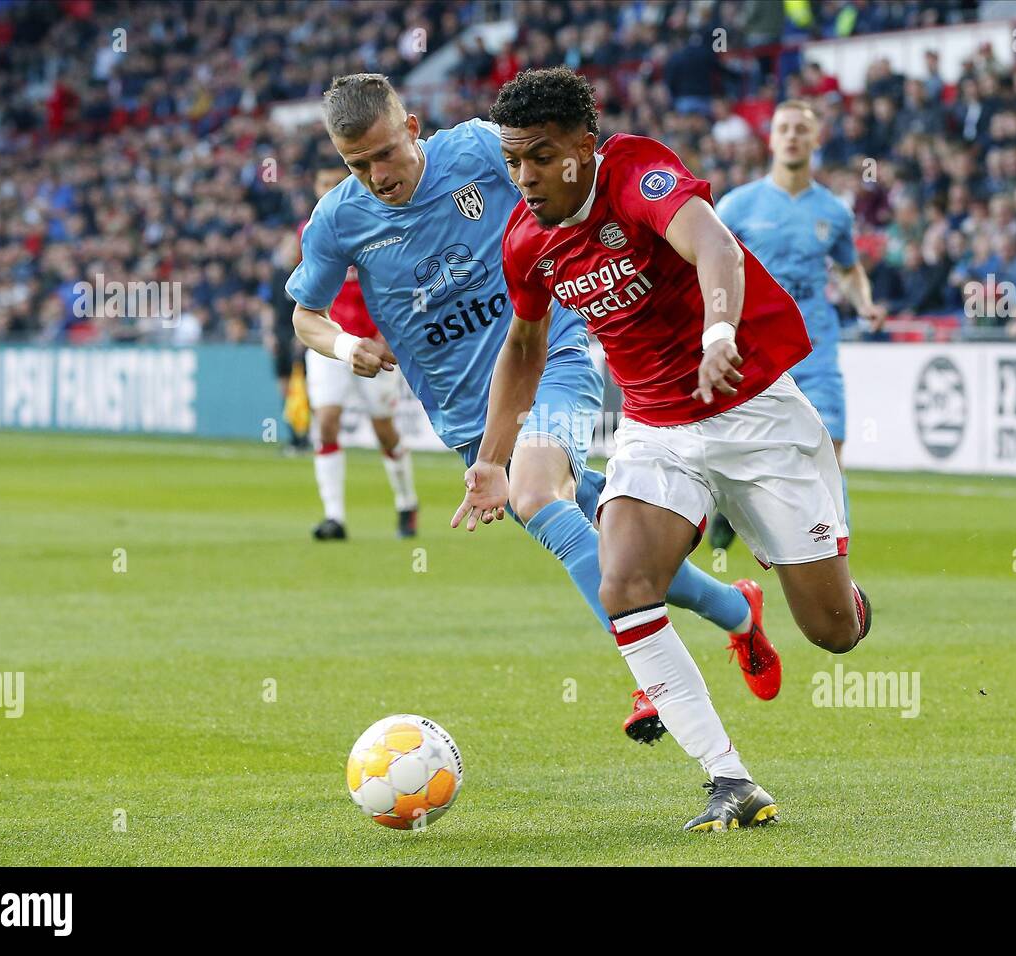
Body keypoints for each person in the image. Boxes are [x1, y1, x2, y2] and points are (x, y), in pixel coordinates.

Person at [285, 74, 776, 742]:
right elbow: (304, 316)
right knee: (606, 531)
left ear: (411, 127)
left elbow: (573, 187)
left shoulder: (480, 151)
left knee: (538, 497)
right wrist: (346, 345)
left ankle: (649, 668)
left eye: (384, 154)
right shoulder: (340, 220)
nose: (376, 175)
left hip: (554, 354)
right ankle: (739, 612)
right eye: (356, 165)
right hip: (470, 422)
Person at [454, 68, 873, 832]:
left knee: (831, 632)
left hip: (754, 414)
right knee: (623, 583)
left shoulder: (639, 173)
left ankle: (836, 595)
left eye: (541, 157)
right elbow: (522, 346)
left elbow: (715, 246)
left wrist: (719, 334)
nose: (525, 177)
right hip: (656, 429)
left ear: (585, 147)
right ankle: (729, 779)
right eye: (515, 160)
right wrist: (491, 457)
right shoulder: (526, 240)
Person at [710, 100, 886, 549]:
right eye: (784, 128)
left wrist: (863, 302)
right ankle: (732, 507)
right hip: (755, 349)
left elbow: (847, 268)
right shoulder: (738, 206)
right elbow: (707, 261)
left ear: (815, 140)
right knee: (740, 448)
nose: (792, 136)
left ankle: (837, 562)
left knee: (829, 444)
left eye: (801, 130)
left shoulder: (834, 211)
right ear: (770, 139)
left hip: (816, 346)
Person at [297, 166, 419, 541]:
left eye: (336, 183)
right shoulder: (311, 232)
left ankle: (405, 502)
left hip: (374, 341)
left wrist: (388, 335)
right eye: (322, 183)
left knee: (384, 429)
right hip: (329, 343)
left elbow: (398, 284)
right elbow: (306, 296)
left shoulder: (376, 223)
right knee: (327, 421)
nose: (328, 190)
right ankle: (334, 517)